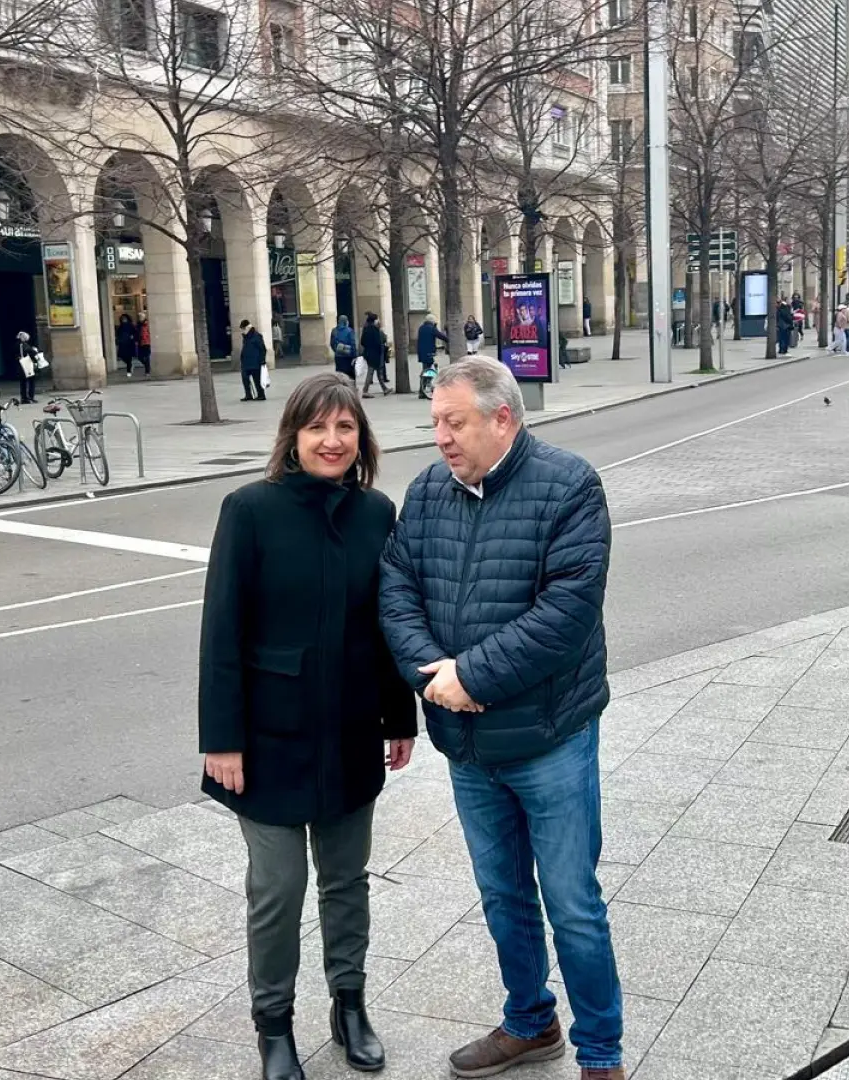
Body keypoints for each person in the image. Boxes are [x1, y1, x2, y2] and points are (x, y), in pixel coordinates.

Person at [379, 358, 624, 1080]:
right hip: (469, 744)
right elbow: (396, 591)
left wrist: (472, 676)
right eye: (435, 424)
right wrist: (437, 675)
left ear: (503, 419)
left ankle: (602, 1055)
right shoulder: (427, 492)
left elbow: (568, 613)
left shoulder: (570, 486)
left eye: (454, 423)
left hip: (550, 737)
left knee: (573, 903)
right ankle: (530, 1021)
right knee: (503, 894)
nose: (441, 439)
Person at [201, 372, 419, 1080]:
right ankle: (273, 1025)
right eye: (317, 428)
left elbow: (389, 627)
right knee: (279, 887)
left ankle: (349, 1005)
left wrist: (399, 715)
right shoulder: (249, 510)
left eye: (345, 428)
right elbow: (222, 632)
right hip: (267, 740)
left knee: (346, 880)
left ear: (362, 439)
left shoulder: (376, 514)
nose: (332, 441)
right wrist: (221, 739)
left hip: (352, 729)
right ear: (292, 438)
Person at [415, 315, 449, 400]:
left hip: (422, 352)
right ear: (432, 321)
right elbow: (440, 336)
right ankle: (422, 391)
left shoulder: (421, 328)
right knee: (427, 372)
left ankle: (422, 391)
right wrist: (449, 339)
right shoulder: (431, 328)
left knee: (425, 370)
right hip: (429, 352)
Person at [240, 319, 268, 401]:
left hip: (255, 362)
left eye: (243, 328)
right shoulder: (245, 337)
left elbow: (263, 349)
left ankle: (261, 395)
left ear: (247, 328)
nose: (242, 330)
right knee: (245, 379)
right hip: (246, 363)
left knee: (257, 380)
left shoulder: (257, 336)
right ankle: (248, 395)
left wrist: (262, 360)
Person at [14, 331, 42, 404]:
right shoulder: (23, 345)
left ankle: (24, 398)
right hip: (26, 365)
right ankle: (30, 397)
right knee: (31, 381)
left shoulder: (17, 344)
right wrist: (36, 354)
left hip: (20, 365)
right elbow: (31, 352)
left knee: (23, 383)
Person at [330, 314, 359, 379]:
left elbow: (332, 343)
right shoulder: (349, 330)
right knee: (350, 375)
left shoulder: (334, 330)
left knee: (340, 375)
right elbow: (353, 344)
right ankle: (351, 388)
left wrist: (337, 350)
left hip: (338, 357)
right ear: (346, 321)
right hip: (348, 357)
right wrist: (354, 355)